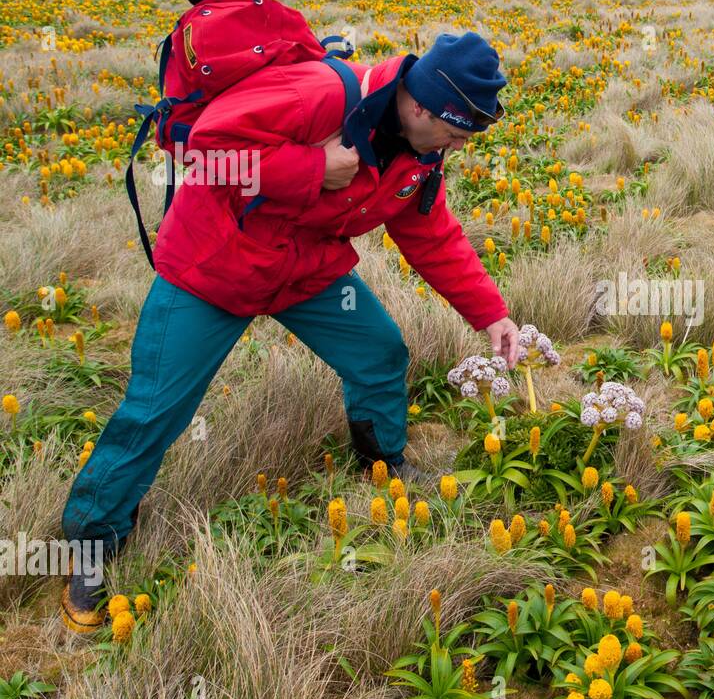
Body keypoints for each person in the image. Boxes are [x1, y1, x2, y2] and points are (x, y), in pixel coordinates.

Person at [60, 31, 520, 632]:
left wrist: (492, 314)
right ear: (419, 104)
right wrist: (310, 167)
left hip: (305, 270)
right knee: (155, 409)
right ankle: (94, 540)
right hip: (214, 266)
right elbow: (207, 152)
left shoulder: (421, 150)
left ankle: (381, 463)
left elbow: (430, 233)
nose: (457, 148)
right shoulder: (318, 94)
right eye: (457, 133)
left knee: (381, 353)